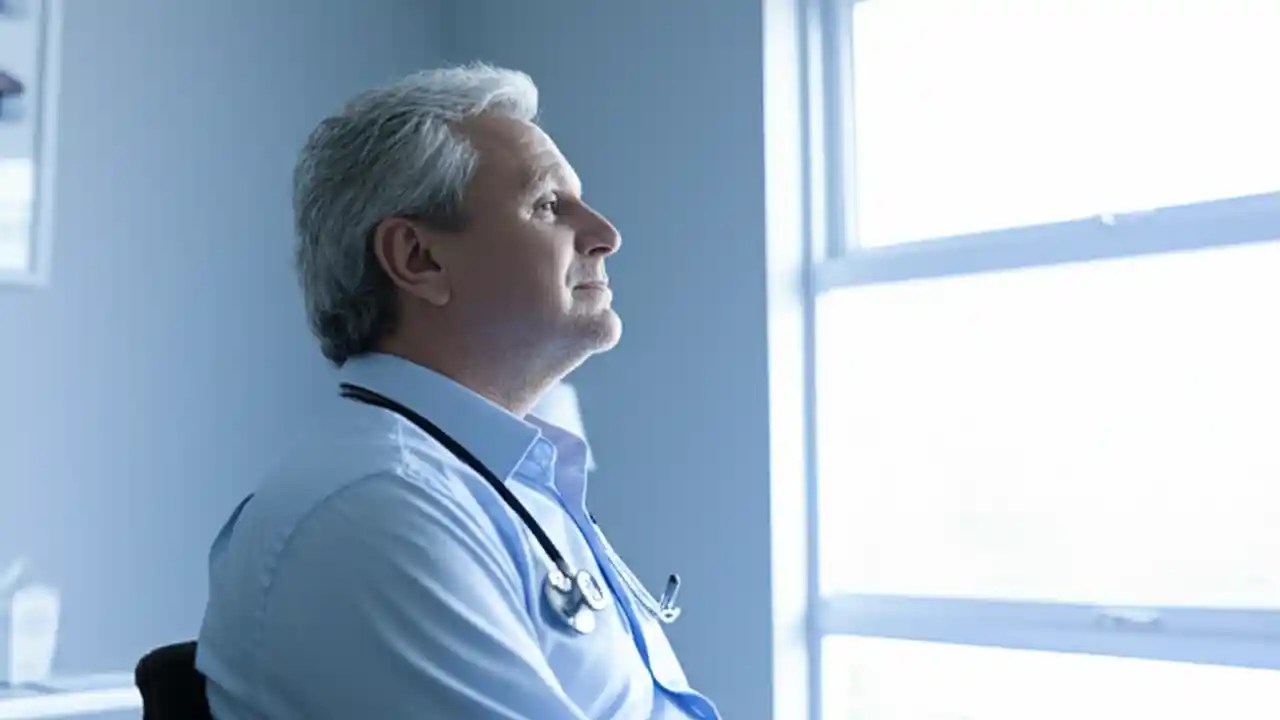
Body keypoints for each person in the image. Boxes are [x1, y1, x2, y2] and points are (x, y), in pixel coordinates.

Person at [194, 64, 720, 719]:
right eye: (548, 205)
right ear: (418, 259)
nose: (605, 235)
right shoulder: (377, 509)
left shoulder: (507, 483)